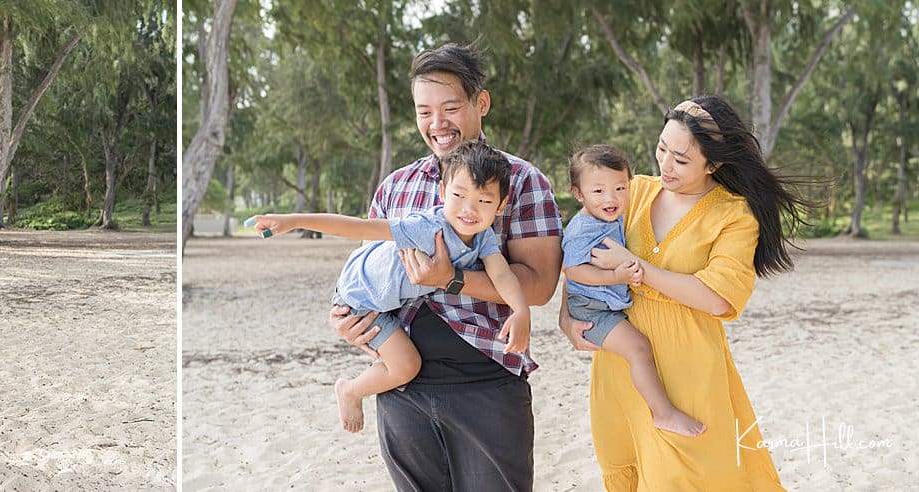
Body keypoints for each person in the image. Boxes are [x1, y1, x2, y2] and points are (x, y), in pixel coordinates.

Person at [330, 43, 562, 491]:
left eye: (451, 108)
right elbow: (361, 272)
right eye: (424, 112)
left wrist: (450, 280)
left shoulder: (524, 181)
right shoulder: (395, 185)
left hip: (486, 383)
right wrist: (344, 320)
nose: (437, 124)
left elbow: (539, 287)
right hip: (402, 389)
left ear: (482, 103)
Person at [558, 95, 811, 489]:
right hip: (621, 365)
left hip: (687, 369)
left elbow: (718, 297)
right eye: (662, 148)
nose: (665, 164)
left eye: (681, 158)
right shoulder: (632, 192)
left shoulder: (733, 214)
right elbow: (579, 247)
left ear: (714, 164)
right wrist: (566, 316)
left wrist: (638, 269)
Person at [246, 141, 533, 434]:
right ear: (443, 193)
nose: (469, 209)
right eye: (458, 195)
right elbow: (359, 227)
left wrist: (520, 310)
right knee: (406, 366)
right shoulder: (426, 227)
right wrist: (292, 221)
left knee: (404, 362)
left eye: (484, 201)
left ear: (500, 205)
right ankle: (351, 390)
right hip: (359, 299)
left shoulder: (482, 235)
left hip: (383, 299)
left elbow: (502, 274)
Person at [560, 144, 706, 437]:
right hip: (592, 311)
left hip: (606, 304)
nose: (611, 198)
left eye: (620, 188)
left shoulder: (613, 218)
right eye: (598, 191)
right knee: (639, 349)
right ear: (579, 194)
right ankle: (663, 413)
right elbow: (573, 270)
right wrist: (616, 276)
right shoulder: (583, 229)